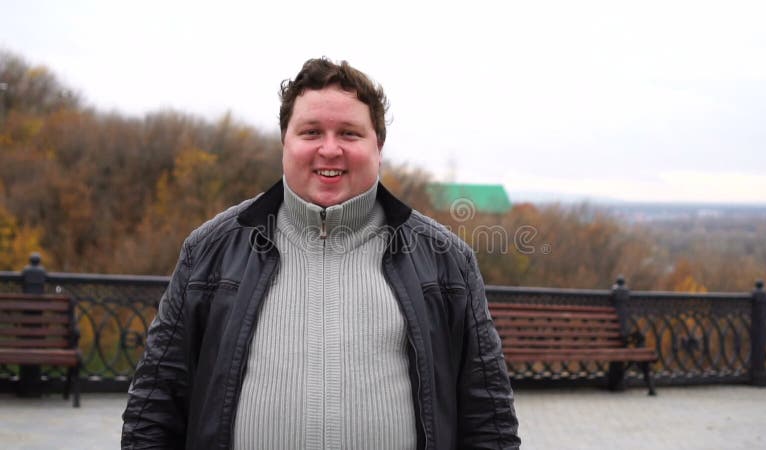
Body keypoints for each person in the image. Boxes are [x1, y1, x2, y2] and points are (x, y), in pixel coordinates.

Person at [122, 57, 520, 450]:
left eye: (349, 133)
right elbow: (155, 405)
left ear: (378, 146)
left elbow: (489, 420)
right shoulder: (209, 250)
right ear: (285, 142)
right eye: (311, 132)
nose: (330, 150)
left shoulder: (446, 260)